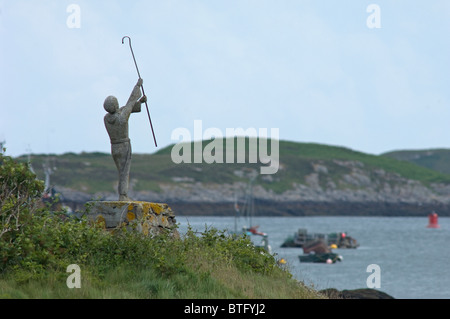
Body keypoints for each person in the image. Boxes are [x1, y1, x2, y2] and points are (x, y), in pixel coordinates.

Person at [103, 78, 147, 201]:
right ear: (115, 105)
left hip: (114, 147)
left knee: (120, 172)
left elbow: (126, 108)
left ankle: (123, 195)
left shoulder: (106, 118)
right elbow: (129, 104)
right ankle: (123, 196)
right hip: (124, 146)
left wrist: (140, 102)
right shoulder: (121, 119)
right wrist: (137, 86)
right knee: (124, 172)